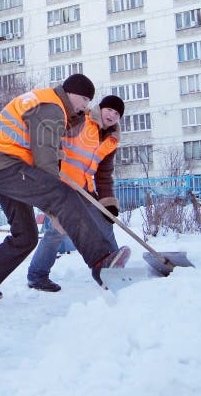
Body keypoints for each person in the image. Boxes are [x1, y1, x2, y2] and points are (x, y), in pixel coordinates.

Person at [0, 74, 130, 300]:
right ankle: (101, 262)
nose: (86, 105)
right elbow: (45, 160)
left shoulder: (50, 104)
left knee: (25, 236)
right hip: (5, 163)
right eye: (85, 100)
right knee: (64, 195)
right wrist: (54, 209)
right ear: (72, 94)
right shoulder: (53, 108)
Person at [26, 95, 125, 292]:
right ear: (100, 108)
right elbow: (54, 133)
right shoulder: (81, 119)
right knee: (57, 231)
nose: (112, 116)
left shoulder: (111, 141)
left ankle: (113, 271)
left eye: (117, 114)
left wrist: (108, 203)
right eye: (109, 110)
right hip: (62, 185)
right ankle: (37, 275)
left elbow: (103, 175)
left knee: (105, 223)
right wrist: (52, 158)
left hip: (85, 190)